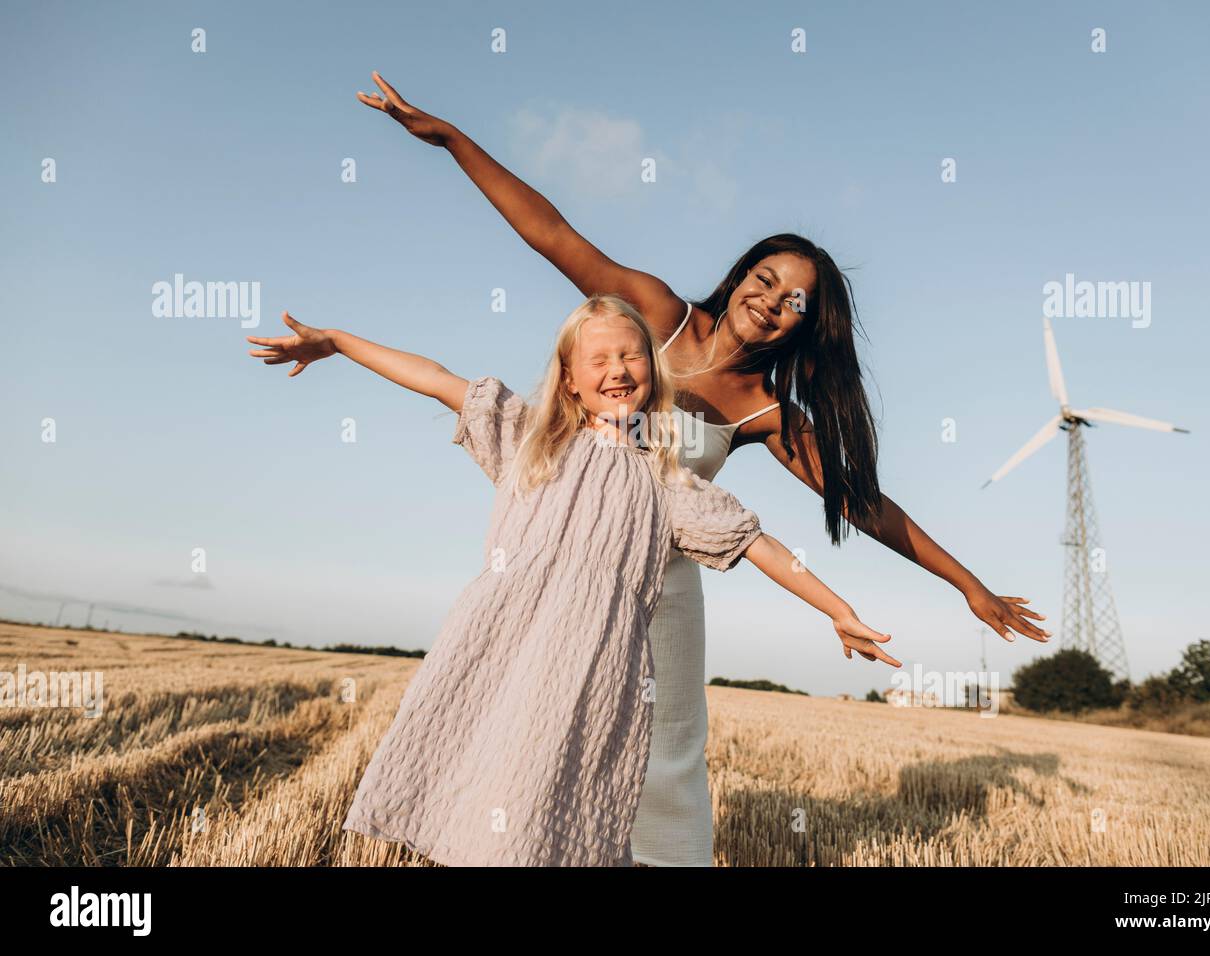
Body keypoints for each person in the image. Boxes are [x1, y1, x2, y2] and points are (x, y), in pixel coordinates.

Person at [355, 72, 1050, 866]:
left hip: (667, 584)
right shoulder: (657, 313)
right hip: (574, 558)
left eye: (795, 299)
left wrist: (966, 584)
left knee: (668, 755)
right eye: (766, 279)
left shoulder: (770, 414)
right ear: (741, 275)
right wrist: (450, 140)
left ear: (808, 325)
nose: (772, 300)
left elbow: (866, 505)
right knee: (534, 717)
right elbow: (552, 234)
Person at [245, 294, 898, 866]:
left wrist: (837, 609)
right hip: (505, 646)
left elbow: (758, 544)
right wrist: (335, 342)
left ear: (653, 371)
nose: (619, 370)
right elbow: (436, 378)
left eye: (634, 356)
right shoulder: (531, 437)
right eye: (601, 360)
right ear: (571, 382)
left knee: (554, 813)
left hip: (597, 669)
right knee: (486, 795)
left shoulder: (666, 480)